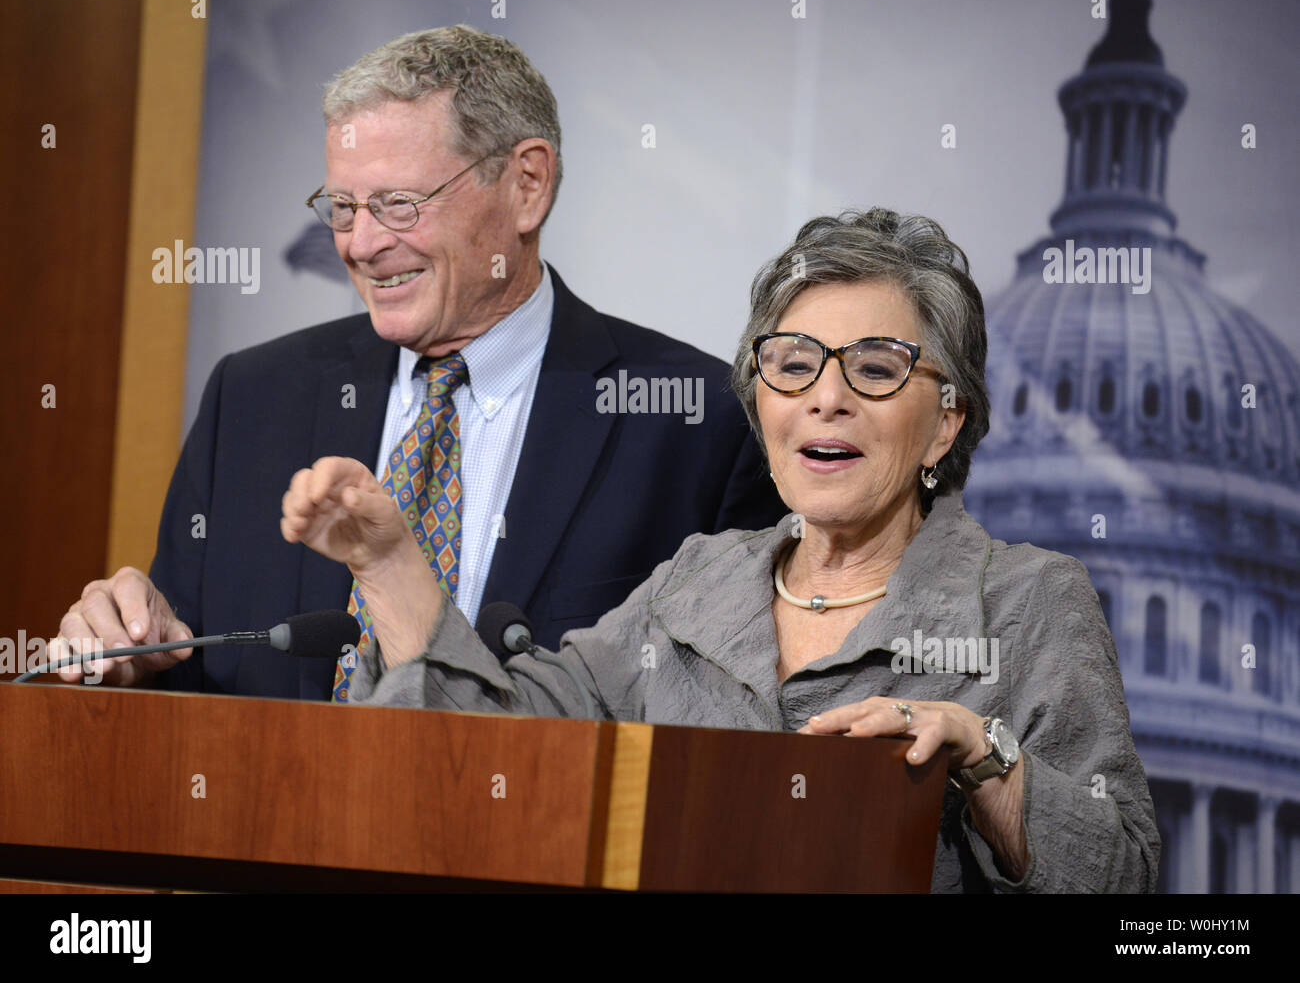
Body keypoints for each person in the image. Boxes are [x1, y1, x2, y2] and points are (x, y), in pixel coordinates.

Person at [281, 208, 1161, 893]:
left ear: (946, 422)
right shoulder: (695, 584)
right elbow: (500, 754)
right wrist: (389, 566)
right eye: (793, 363)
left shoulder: (1026, 600)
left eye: (879, 369)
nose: (827, 398)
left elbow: (1125, 878)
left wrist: (982, 755)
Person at [52, 25, 783, 699]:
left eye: (398, 204)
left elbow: (719, 712)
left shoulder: (696, 422)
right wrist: (135, 650)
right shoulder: (250, 398)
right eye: (342, 207)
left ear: (528, 184)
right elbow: (188, 670)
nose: (362, 244)